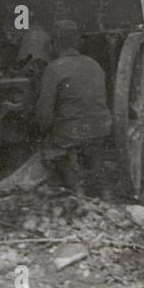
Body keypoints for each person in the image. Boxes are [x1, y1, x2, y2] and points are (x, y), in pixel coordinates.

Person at [34, 19, 111, 195]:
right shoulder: (95, 65)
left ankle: (72, 187)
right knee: (89, 140)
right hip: (101, 129)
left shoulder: (54, 69)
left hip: (71, 133)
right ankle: (99, 183)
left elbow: (44, 115)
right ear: (76, 42)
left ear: (54, 44)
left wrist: (41, 131)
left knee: (52, 145)